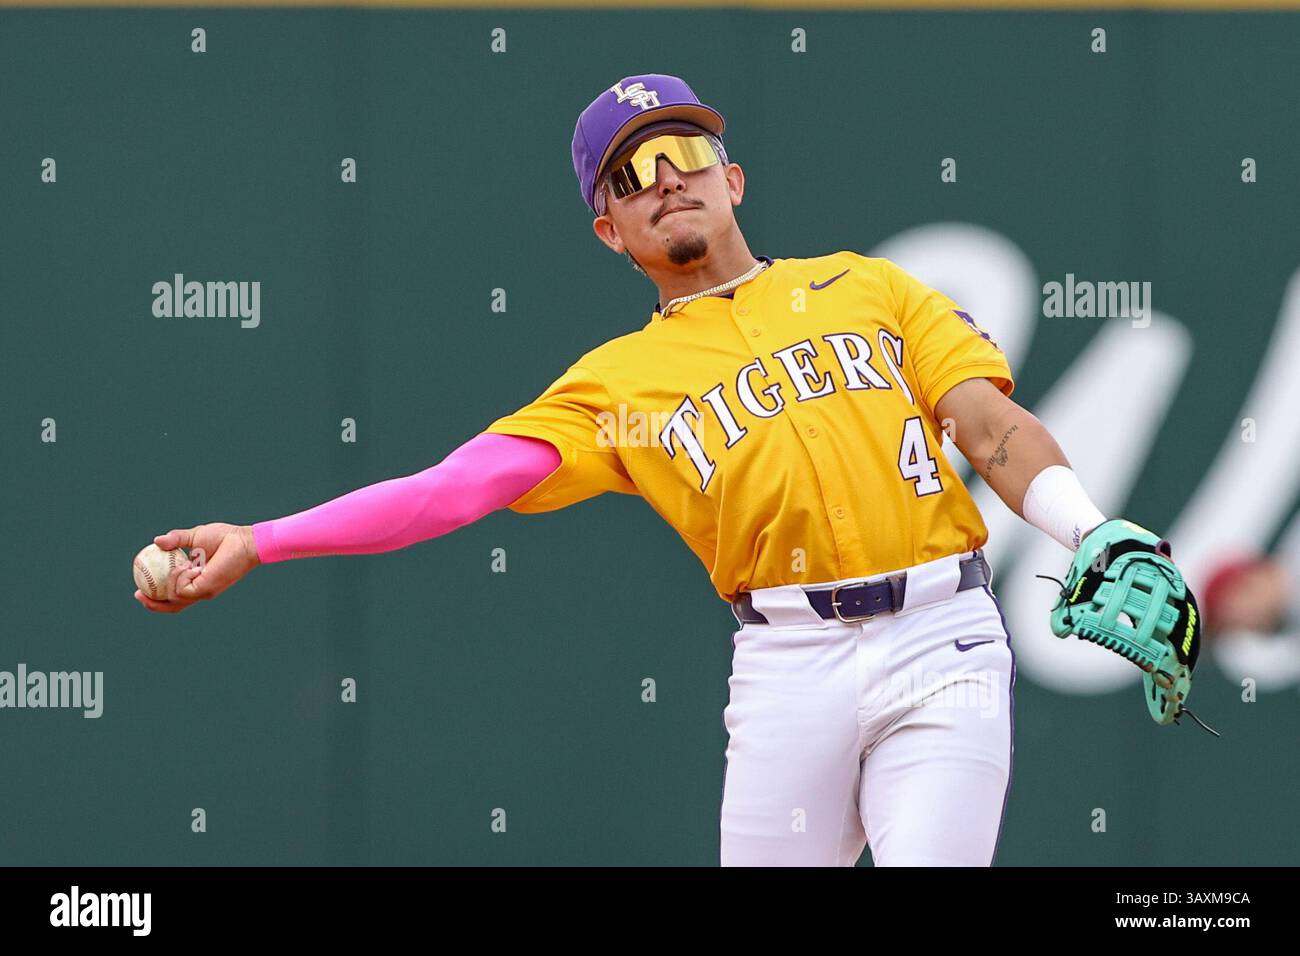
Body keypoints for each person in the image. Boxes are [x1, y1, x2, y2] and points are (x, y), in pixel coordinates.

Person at [137, 73, 1122, 867]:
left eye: (685, 152)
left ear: (731, 178)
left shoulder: (869, 288)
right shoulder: (614, 384)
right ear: (609, 228)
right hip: (788, 667)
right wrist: (262, 540)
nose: (664, 177)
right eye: (630, 173)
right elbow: (450, 488)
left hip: (940, 639)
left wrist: (1095, 529)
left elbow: (990, 428)